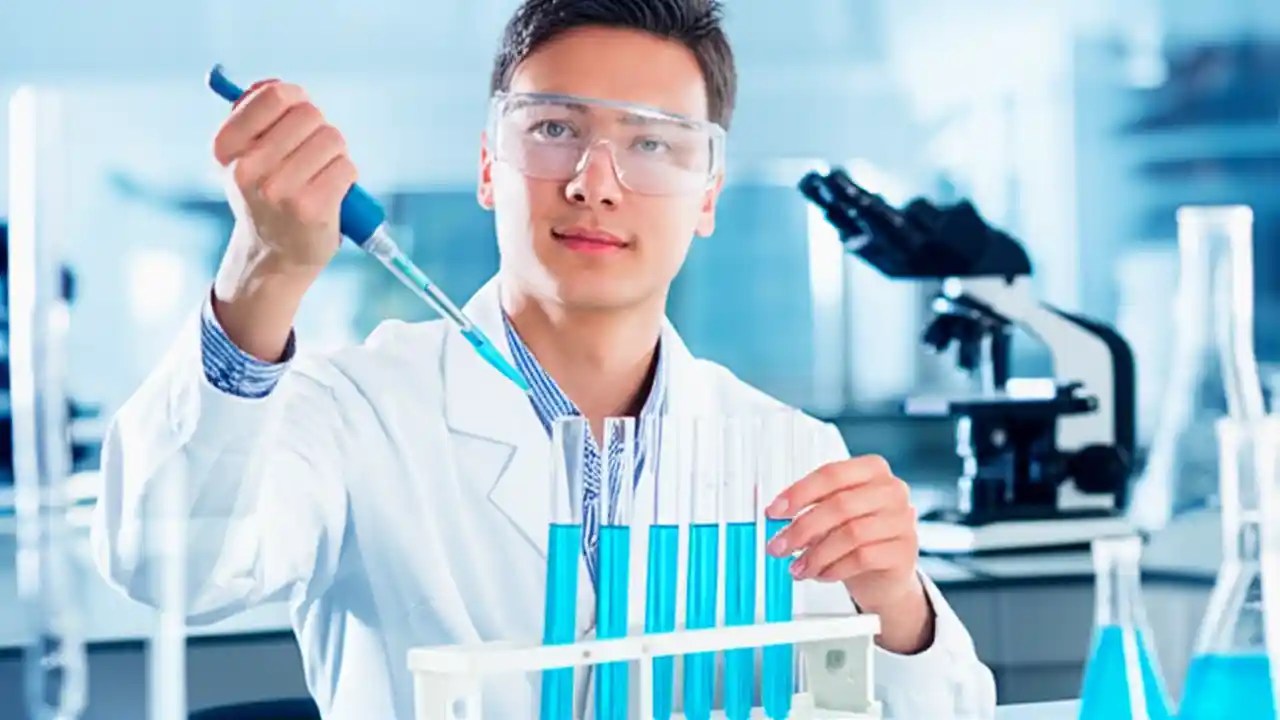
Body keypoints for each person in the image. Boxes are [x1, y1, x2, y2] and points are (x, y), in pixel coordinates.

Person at [91, 0, 997, 717]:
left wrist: (899, 608)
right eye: (555, 129)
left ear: (707, 194)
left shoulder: (790, 452)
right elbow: (173, 568)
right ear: (489, 165)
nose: (594, 181)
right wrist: (265, 274)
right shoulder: (353, 413)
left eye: (651, 143)